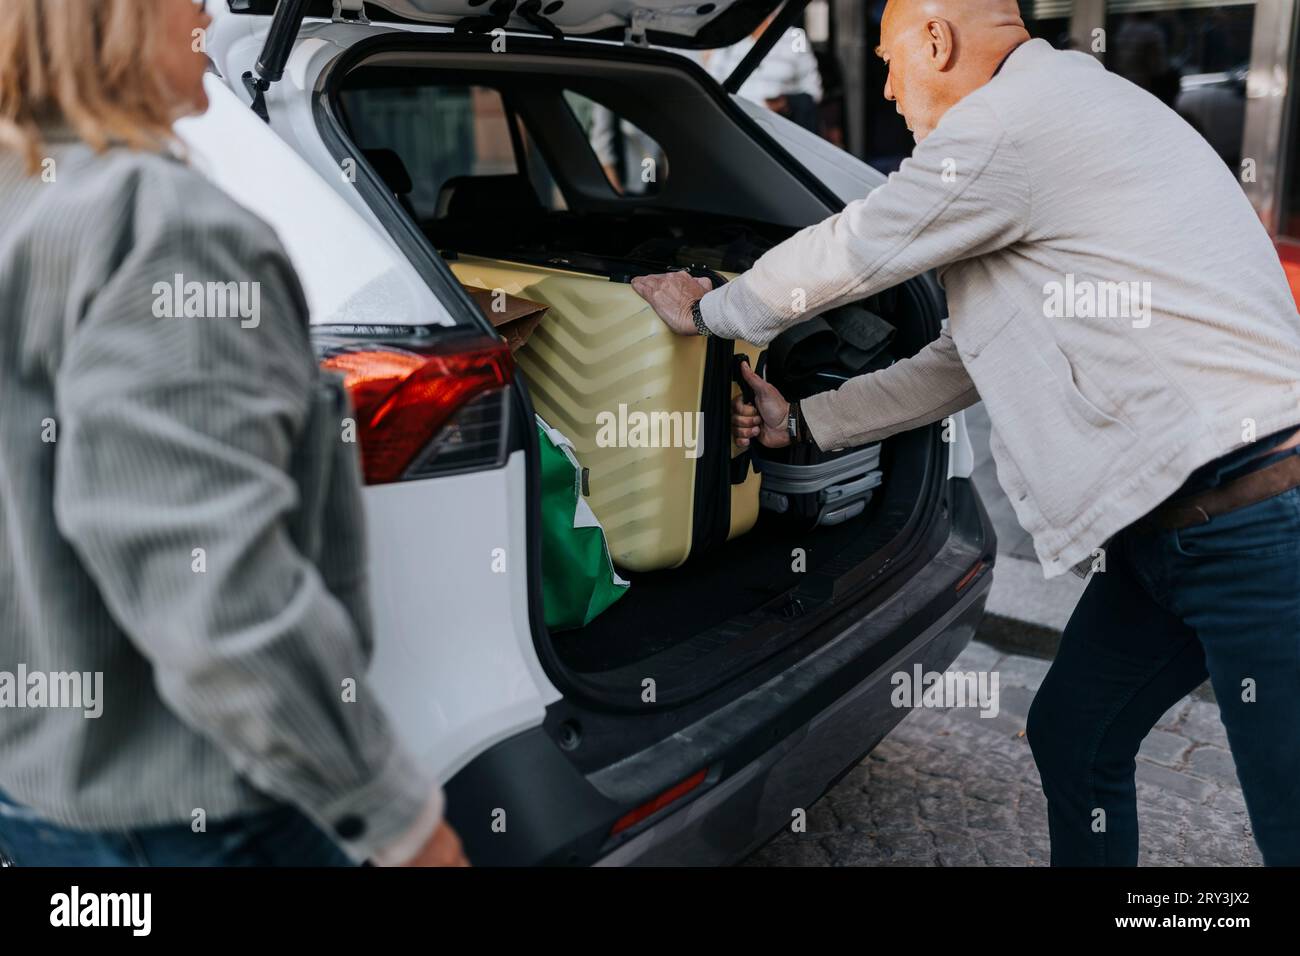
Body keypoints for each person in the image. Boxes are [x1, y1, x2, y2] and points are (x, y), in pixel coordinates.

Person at [630, 0, 1300, 866]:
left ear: (937, 40)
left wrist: (711, 309)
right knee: (1073, 736)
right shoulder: (1054, 117)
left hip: (1258, 524)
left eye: (887, 57)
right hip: (1170, 532)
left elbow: (854, 247)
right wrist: (804, 422)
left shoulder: (1010, 123)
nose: (885, 85)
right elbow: (966, 356)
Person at [0, 0, 466, 867]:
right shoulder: (157, 228)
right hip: (196, 815)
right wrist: (404, 827)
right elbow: (215, 589)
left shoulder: (21, 195)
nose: (208, 15)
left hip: (45, 793)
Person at [704, 12, 824, 132]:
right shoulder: (728, 37)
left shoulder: (796, 37)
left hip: (781, 128)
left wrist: (786, 103)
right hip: (736, 125)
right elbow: (713, 81)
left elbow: (812, 88)